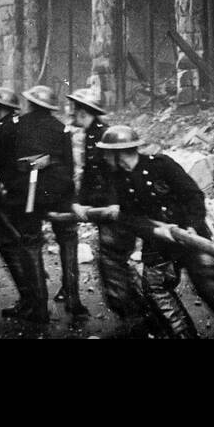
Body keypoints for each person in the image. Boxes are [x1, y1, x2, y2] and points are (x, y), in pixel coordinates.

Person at [78, 125, 214, 339]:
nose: (104, 157)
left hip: (191, 235)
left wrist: (191, 226)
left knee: (209, 286)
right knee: (154, 287)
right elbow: (131, 219)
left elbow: (193, 196)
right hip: (159, 242)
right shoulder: (119, 179)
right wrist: (155, 230)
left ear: (119, 153)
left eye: (107, 152)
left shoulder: (162, 165)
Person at [65, 85, 151, 331]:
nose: (73, 114)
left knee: (112, 261)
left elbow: (115, 174)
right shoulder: (93, 134)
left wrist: (114, 203)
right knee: (115, 262)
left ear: (85, 112)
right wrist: (81, 202)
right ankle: (139, 313)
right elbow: (90, 175)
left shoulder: (105, 135)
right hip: (104, 205)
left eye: (76, 110)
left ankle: (133, 318)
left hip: (114, 207)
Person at [0, 84, 74, 324]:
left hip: (25, 195)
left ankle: (38, 306)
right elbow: (69, 166)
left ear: (29, 103)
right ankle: (72, 299)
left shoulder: (15, 125)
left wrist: (10, 184)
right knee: (65, 239)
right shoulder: (62, 128)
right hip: (57, 194)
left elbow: (2, 161)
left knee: (29, 244)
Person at [0, 85, 36, 319]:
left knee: (9, 246)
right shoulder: (23, 125)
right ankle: (33, 297)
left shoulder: (1, 130)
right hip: (25, 192)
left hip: (8, 194)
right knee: (23, 244)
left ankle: (28, 298)